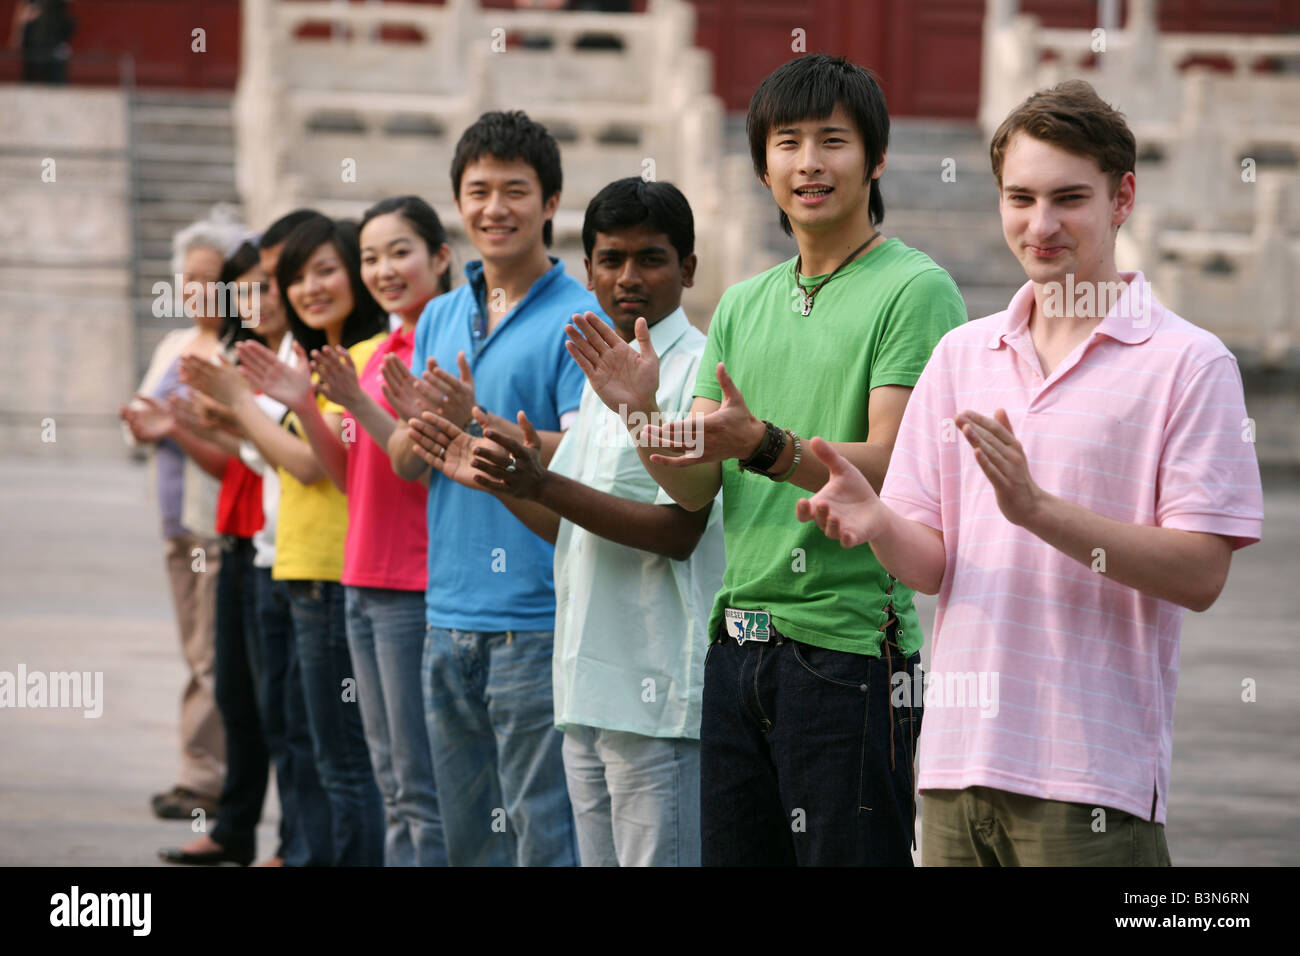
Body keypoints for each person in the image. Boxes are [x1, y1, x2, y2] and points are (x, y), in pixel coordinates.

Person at [798, 79, 1264, 866]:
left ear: (1123, 198)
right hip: (951, 772)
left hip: (1090, 779)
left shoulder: (1188, 364)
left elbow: (1201, 574)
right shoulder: (962, 354)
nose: (1040, 225)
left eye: (1068, 199)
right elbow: (935, 564)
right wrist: (877, 523)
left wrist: (1039, 510)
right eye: (1019, 198)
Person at [566, 54, 967, 865]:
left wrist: (767, 445)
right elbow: (692, 490)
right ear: (761, 165)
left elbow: (893, 463)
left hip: (852, 650)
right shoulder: (745, 303)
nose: (809, 163)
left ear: (876, 158)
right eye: (788, 143)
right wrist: (643, 414)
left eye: (833, 141)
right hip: (738, 644)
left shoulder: (914, 290)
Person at [415, 177, 724, 866]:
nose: (628, 277)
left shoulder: (700, 372)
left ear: (689, 269)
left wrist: (544, 482)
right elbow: (570, 527)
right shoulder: (597, 371)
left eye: (652, 259)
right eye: (610, 260)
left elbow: (680, 529)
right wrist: (502, 484)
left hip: (658, 697)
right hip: (584, 687)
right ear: (588, 271)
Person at [386, 110, 597, 866]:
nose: (494, 208)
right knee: (468, 837)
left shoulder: (581, 318)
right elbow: (408, 463)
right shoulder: (440, 312)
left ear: (550, 203)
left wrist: (471, 424)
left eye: (515, 190)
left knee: (545, 834)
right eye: (478, 191)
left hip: (536, 618)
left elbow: (587, 459)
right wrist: (421, 427)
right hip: (446, 615)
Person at [268, 195, 453, 866]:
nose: (384, 269)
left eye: (399, 252)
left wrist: (348, 403)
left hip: (413, 579)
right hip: (362, 575)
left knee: (419, 787)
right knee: (391, 780)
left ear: (440, 257)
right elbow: (354, 474)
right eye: (371, 257)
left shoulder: (437, 335)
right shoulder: (383, 350)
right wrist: (316, 403)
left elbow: (411, 463)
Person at [218, 215, 389, 865]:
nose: (308, 289)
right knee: (319, 750)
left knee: (351, 769)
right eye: (296, 278)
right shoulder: (324, 358)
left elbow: (324, 468)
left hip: (334, 573)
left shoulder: (367, 357)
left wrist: (249, 403)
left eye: (325, 270)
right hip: (301, 568)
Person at [121, 207, 244, 823]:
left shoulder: (241, 354)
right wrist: (149, 425)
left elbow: (235, 460)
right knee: (195, 651)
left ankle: (203, 778)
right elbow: (147, 426)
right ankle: (204, 773)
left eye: (214, 276)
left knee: (209, 657)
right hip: (175, 527)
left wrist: (175, 427)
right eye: (191, 278)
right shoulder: (177, 344)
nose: (200, 290)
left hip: (217, 529)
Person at [161, 240, 272, 866]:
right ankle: (233, 827)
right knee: (235, 692)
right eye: (246, 288)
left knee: (283, 710)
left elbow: (261, 456)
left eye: (262, 286)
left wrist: (208, 421)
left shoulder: (273, 360)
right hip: (234, 535)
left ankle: (298, 843)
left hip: (275, 545)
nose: (255, 300)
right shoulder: (235, 353)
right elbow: (237, 461)